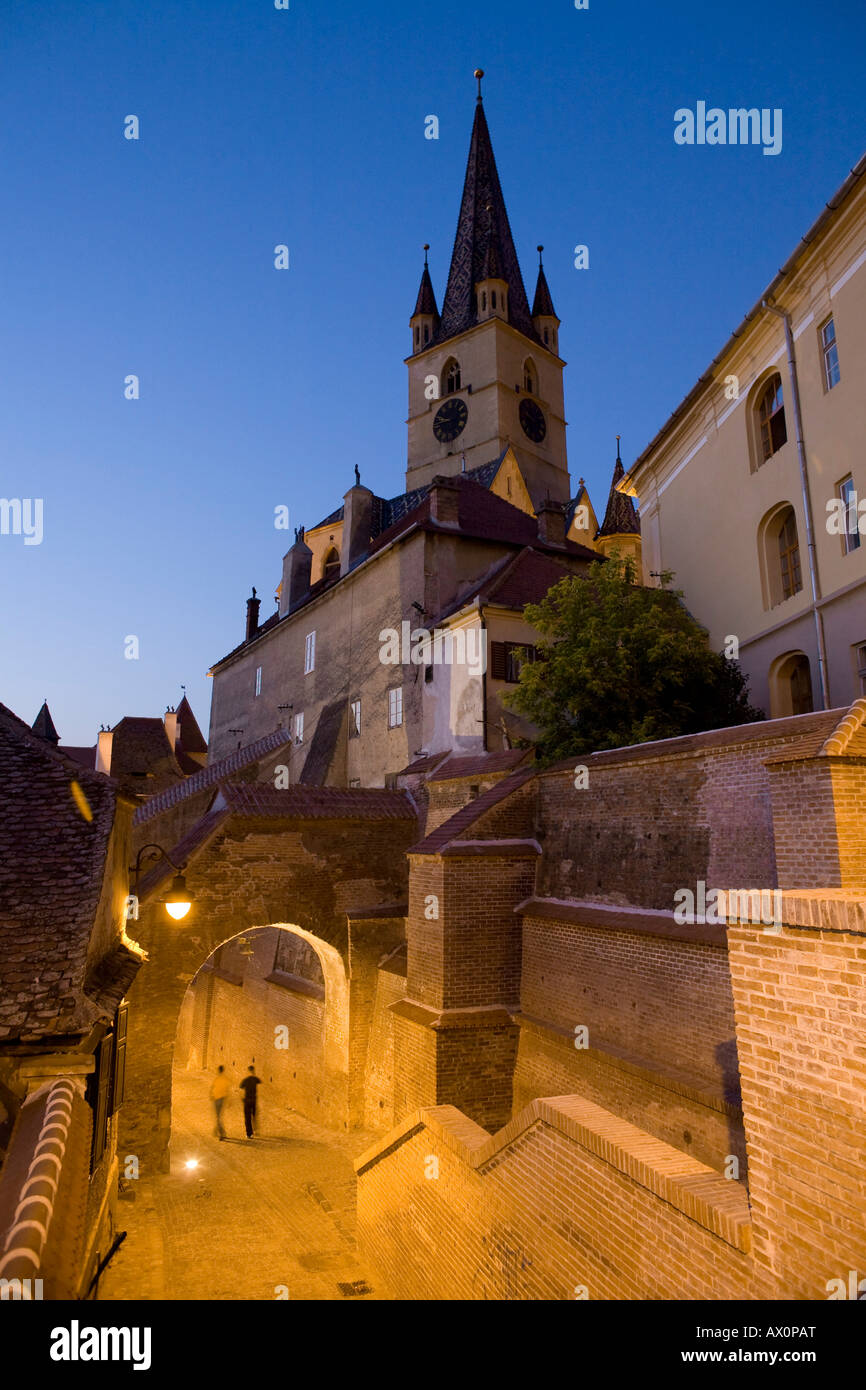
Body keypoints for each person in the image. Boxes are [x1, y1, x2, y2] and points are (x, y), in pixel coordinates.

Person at [239, 1065, 261, 1139]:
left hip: (247, 1100)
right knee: (254, 1115)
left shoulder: (246, 1080)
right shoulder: (255, 1079)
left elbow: (240, 1086)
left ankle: (249, 1133)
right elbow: (259, 1081)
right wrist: (253, 1074)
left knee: (247, 1117)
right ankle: (255, 1129)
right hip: (254, 1100)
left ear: (248, 1071)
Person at [210, 1065, 230, 1140]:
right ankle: (216, 1130)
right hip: (222, 1099)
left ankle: (222, 1134)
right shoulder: (225, 1079)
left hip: (217, 1099)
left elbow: (212, 1088)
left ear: (218, 1071)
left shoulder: (217, 1079)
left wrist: (211, 1095)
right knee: (218, 1116)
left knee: (218, 1117)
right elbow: (227, 1090)